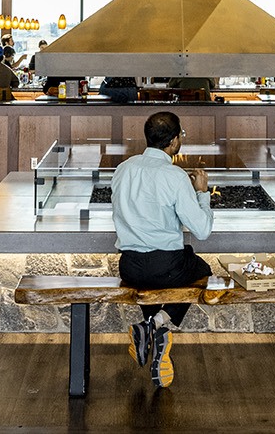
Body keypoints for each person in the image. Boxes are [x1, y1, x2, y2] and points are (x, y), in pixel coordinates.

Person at [112, 111, 213, 390]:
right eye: (180, 135)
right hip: (166, 267)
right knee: (203, 271)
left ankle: (152, 329)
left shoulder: (123, 169)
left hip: (129, 266)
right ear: (173, 141)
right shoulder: (175, 176)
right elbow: (202, 230)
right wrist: (201, 193)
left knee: (158, 282)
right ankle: (156, 325)